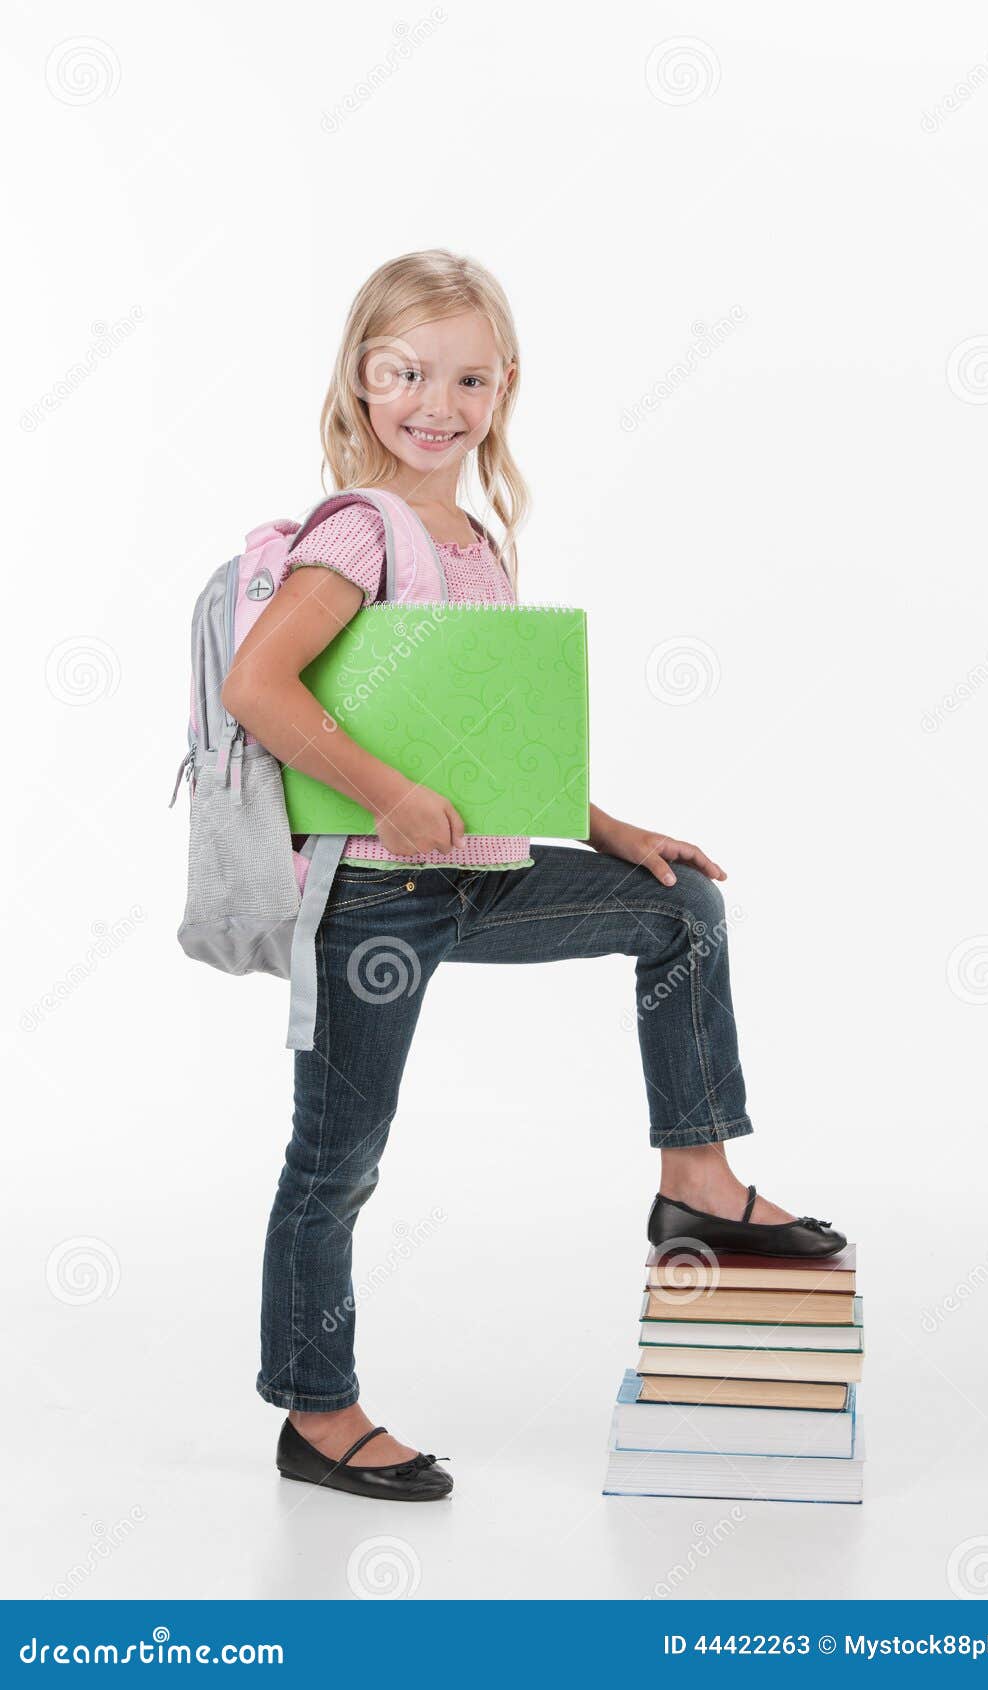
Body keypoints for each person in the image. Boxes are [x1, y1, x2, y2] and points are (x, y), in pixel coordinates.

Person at [220, 249, 845, 1502]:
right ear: (361, 378)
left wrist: (598, 823)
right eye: (405, 374)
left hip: (478, 872)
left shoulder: (477, 531)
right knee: (337, 1159)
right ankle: (317, 1409)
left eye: (465, 376)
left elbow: (489, 746)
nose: (433, 403)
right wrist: (389, 796)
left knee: (679, 907)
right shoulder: (361, 527)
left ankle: (695, 1179)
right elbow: (258, 685)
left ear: (504, 386)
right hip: (373, 898)